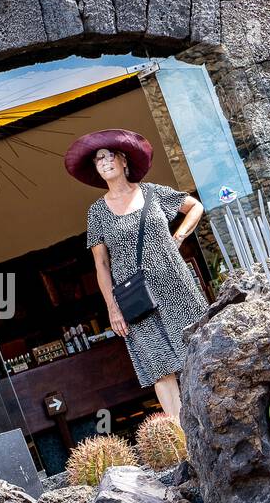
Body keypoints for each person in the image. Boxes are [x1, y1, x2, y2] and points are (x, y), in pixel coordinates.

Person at [64, 128, 206, 425]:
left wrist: (178, 236)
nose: (103, 162)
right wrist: (112, 308)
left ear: (124, 160)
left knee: (199, 350)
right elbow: (101, 265)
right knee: (160, 368)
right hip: (135, 299)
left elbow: (195, 206)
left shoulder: (154, 193)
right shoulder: (97, 213)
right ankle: (184, 438)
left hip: (177, 287)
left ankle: (214, 419)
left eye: (108, 155)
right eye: (97, 159)